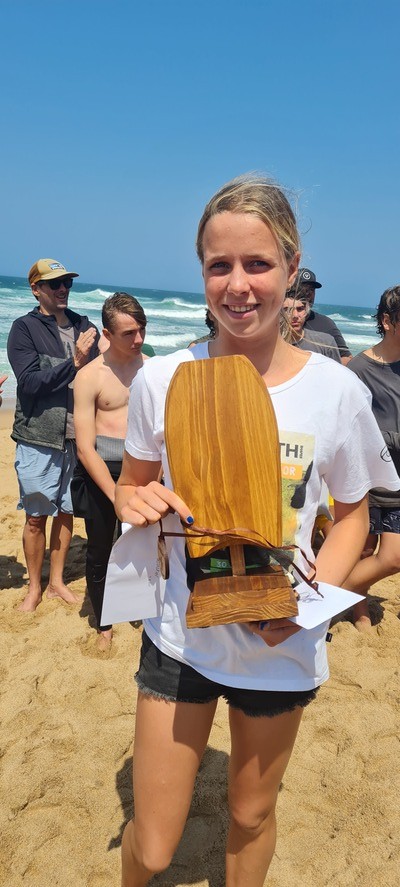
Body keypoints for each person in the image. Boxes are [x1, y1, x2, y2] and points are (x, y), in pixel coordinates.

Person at [114, 175, 399, 887]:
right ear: (202, 273)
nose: (238, 285)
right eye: (219, 266)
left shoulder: (337, 391)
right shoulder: (164, 379)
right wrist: (137, 501)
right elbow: (131, 484)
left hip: (282, 642)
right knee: (151, 847)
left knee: (250, 813)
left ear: (292, 268)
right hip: (180, 634)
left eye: (258, 264)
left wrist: (311, 605)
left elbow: (354, 514)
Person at [7, 258, 99, 613]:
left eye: (67, 284)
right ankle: (34, 586)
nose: (63, 290)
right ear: (36, 289)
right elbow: (29, 383)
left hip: (79, 438)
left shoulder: (83, 324)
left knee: (66, 512)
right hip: (38, 438)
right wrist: (73, 363)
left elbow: (105, 367)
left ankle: (57, 581)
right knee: (35, 515)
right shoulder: (24, 328)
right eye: (55, 284)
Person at [72, 293, 148, 650]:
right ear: (107, 333)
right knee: (100, 549)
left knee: (144, 546)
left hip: (143, 467)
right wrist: (115, 493)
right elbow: (85, 447)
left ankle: (143, 610)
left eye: (142, 330)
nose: (138, 340)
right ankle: (103, 624)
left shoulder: (150, 369)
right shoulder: (90, 376)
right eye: (128, 333)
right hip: (103, 466)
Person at [345, 285, 400, 629]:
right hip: (367, 479)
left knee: (393, 557)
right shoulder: (359, 370)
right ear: (388, 321)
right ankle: (358, 609)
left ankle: (334, 591)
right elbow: (349, 428)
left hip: (399, 483)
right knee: (362, 551)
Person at [291, 267, 352, 364]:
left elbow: (346, 357)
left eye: (312, 290)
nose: (308, 294)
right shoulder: (276, 322)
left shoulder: (326, 324)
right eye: (303, 289)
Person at [282, 294, 341, 361]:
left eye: (300, 309)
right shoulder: (270, 345)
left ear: (306, 311)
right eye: (287, 310)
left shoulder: (326, 343)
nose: (295, 315)